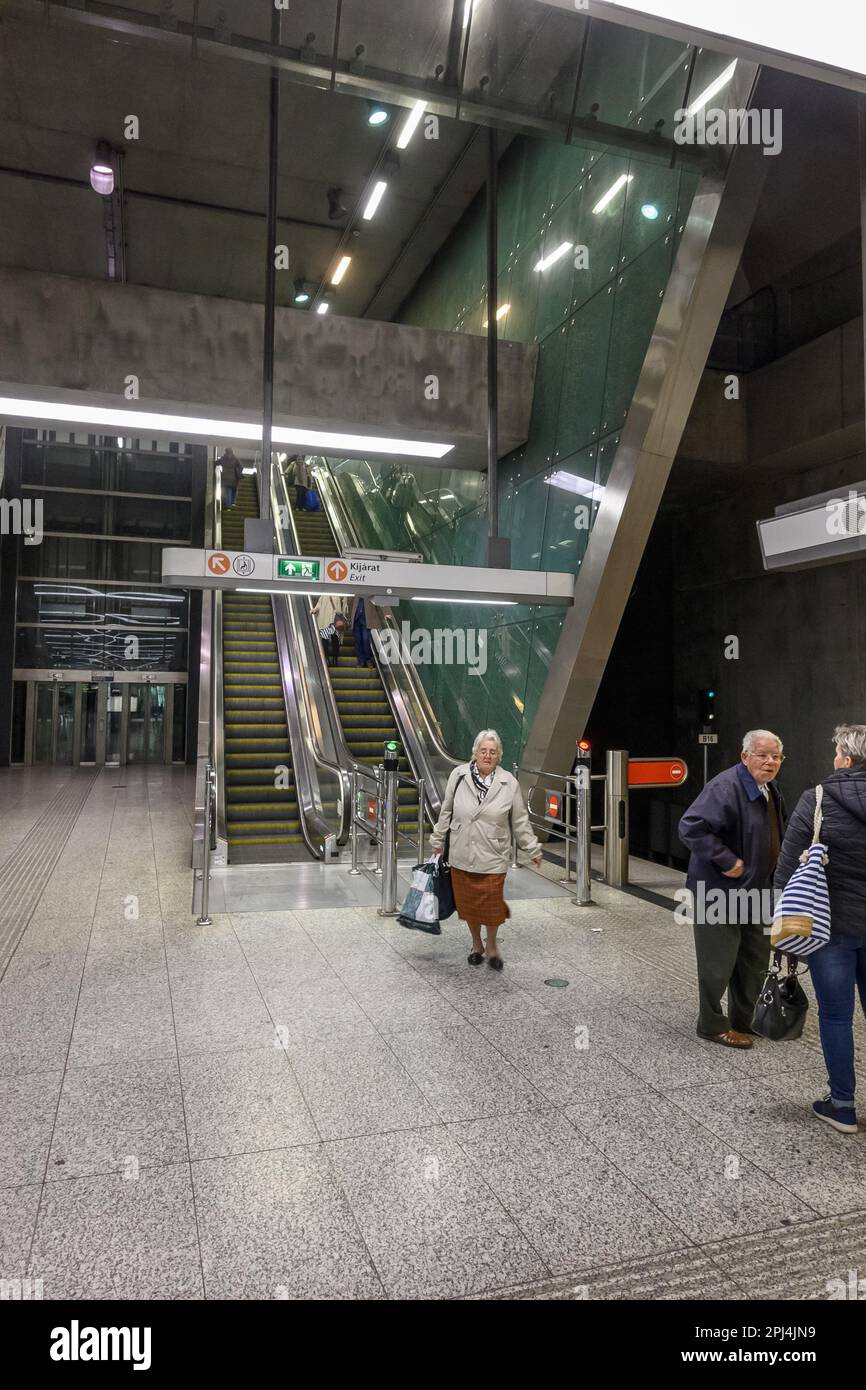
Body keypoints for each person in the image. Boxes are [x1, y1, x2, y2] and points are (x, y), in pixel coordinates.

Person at [774, 725, 866, 1134]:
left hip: (830, 930)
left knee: (835, 1016)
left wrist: (784, 936)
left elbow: (786, 871)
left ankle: (842, 1106)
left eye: (836, 753)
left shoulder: (817, 800)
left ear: (846, 758)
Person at [678, 729, 786, 1048]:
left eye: (776, 757)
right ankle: (711, 1024)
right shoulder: (725, 786)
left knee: (754, 958)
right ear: (745, 756)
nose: (770, 762)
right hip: (719, 892)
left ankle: (747, 1019)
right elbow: (691, 827)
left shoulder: (769, 788)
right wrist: (726, 860)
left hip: (756, 890)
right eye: (762, 755)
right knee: (717, 961)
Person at [430, 730, 542, 971]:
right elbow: (446, 811)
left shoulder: (508, 783)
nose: (487, 756)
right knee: (468, 904)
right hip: (462, 852)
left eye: (493, 752)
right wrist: (438, 840)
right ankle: (476, 944)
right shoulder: (458, 776)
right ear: (475, 753)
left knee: (492, 905)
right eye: (483, 751)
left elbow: (520, 820)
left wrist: (532, 848)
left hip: (493, 853)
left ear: (499, 756)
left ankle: (491, 945)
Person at [310, 593, 345, 666]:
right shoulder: (325, 596)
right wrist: (314, 610)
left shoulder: (328, 596)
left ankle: (331, 658)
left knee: (331, 640)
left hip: (330, 623)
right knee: (329, 640)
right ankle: (330, 659)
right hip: (327, 622)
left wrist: (314, 610)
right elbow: (319, 606)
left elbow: (339, 611)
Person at [352, 595, 373, 668]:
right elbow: (350, 604)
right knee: (358, 641)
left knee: (365, 639)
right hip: (356, 620)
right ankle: (360, 661)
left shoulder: (370, 590)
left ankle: (368, 659)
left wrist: (386, 612)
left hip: (366, 620)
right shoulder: (356, 592)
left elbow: (381, 598)